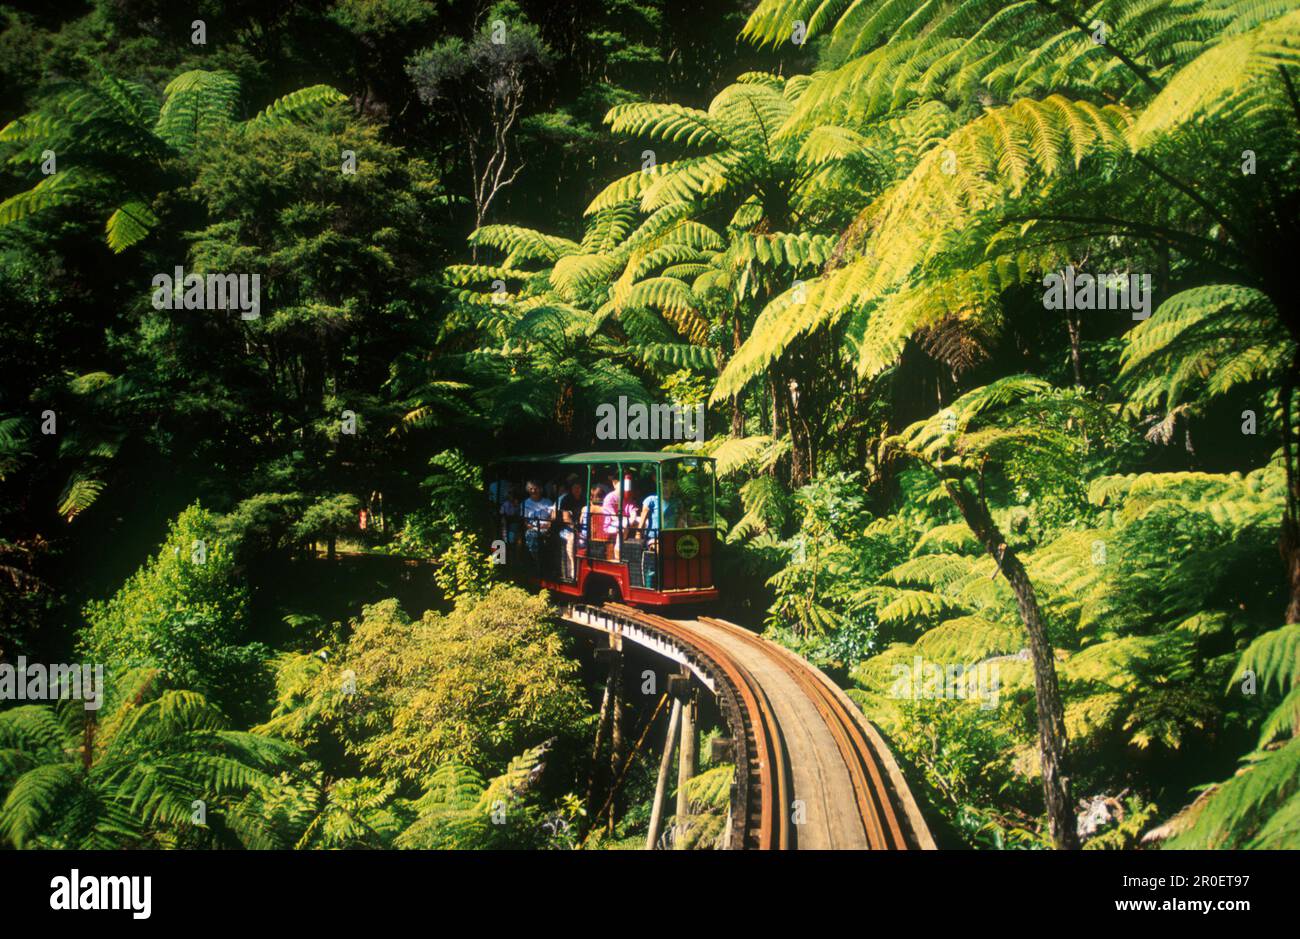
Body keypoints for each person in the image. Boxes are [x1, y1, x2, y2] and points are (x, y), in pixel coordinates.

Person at [556, 474, 583, 581]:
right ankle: (572, 572)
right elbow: (566, 518)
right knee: (572, 538)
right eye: (575, 488)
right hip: (568, 529)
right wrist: (576, 530)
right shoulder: (566, 500)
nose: (577, 490)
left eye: (579, 488)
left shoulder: (584, 499)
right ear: (571, 489)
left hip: (581, 528)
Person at [522, 480, 554, 562]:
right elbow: (524, 521)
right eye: (531, 489)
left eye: (536, 488)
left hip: (546, 528)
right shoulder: (525, 503)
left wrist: (548, 525)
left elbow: (552, 517)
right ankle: (537, 561)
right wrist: (533, 527)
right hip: (532, 529)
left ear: (541, 489)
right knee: (532, 535)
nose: (533, 491)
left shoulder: (548, 502)